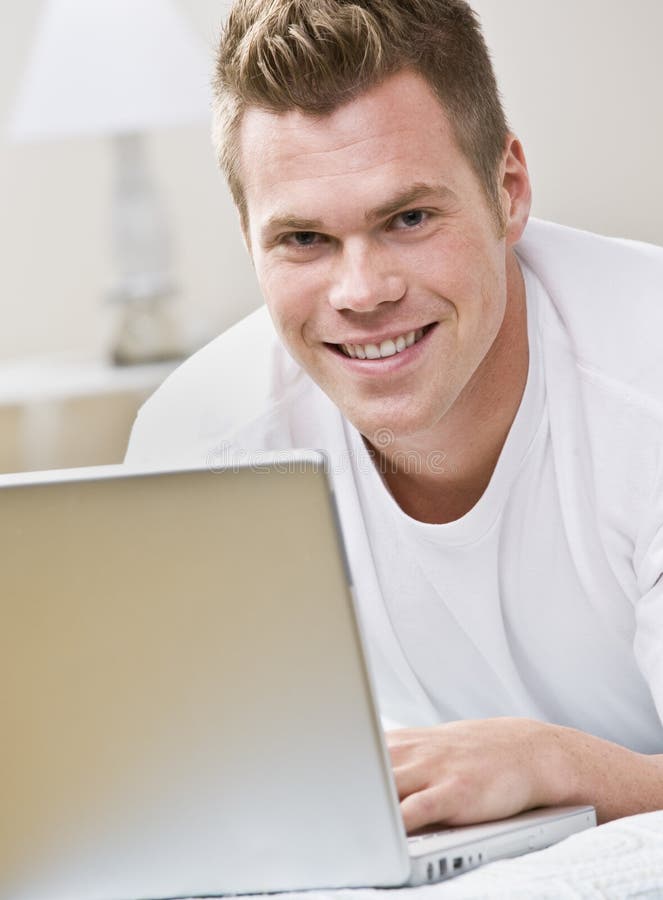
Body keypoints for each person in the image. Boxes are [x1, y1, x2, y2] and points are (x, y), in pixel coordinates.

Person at [125, 0, 663, 830]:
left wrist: (552, 763)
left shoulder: (646, 377)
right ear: (247, 239)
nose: (361, 292)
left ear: (507, 190)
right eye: (302, 238)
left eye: (408, 219)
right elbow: (190, 790)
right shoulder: (202, 439)